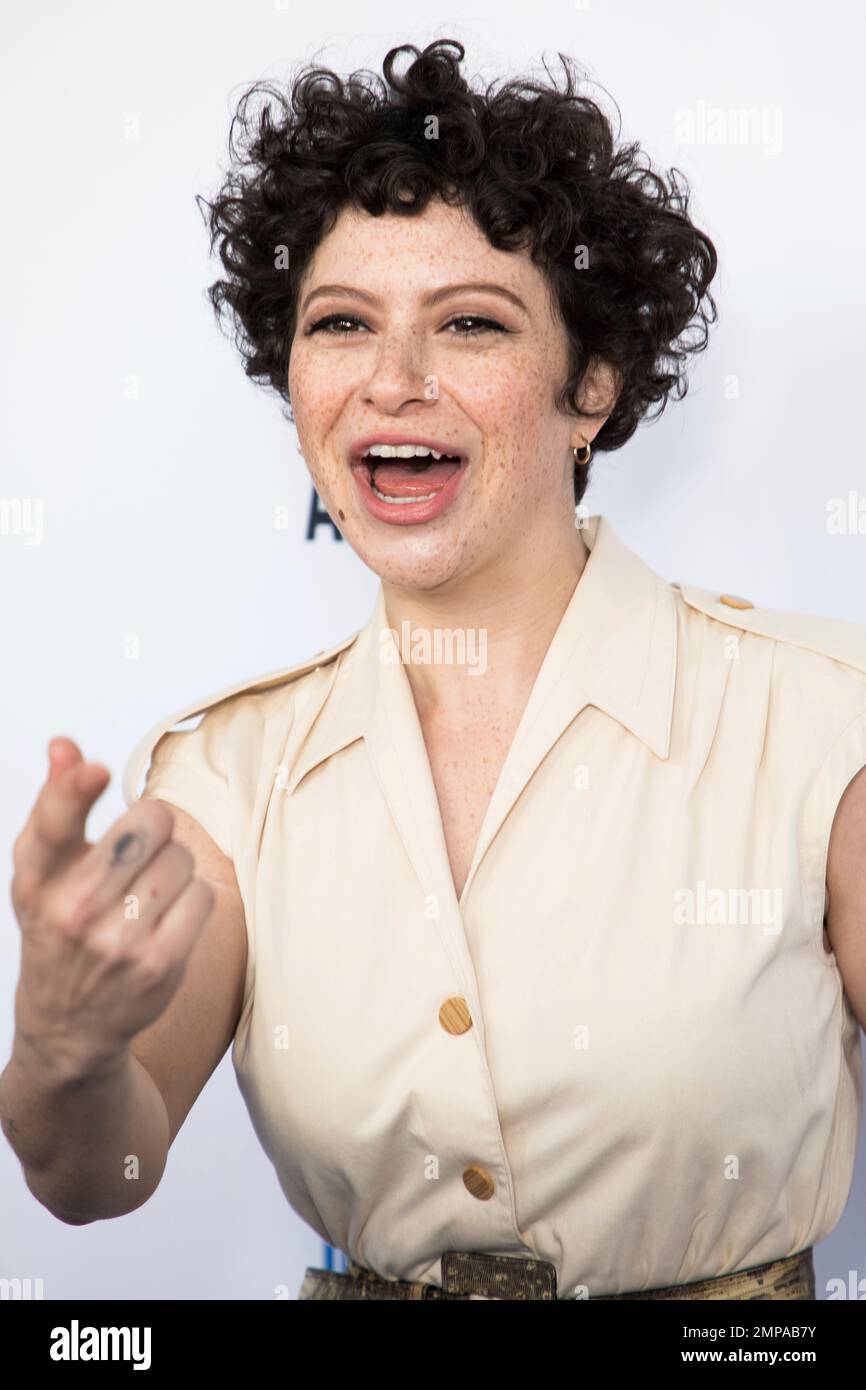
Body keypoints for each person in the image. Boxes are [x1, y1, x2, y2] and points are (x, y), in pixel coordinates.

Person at [3, 39, 865, 1302]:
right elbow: (99, 1176)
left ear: (592, 384)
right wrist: (62, 1046)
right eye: (341, 324)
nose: (392, 383)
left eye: (469, 323)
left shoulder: (818, 719)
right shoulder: (224, 773)